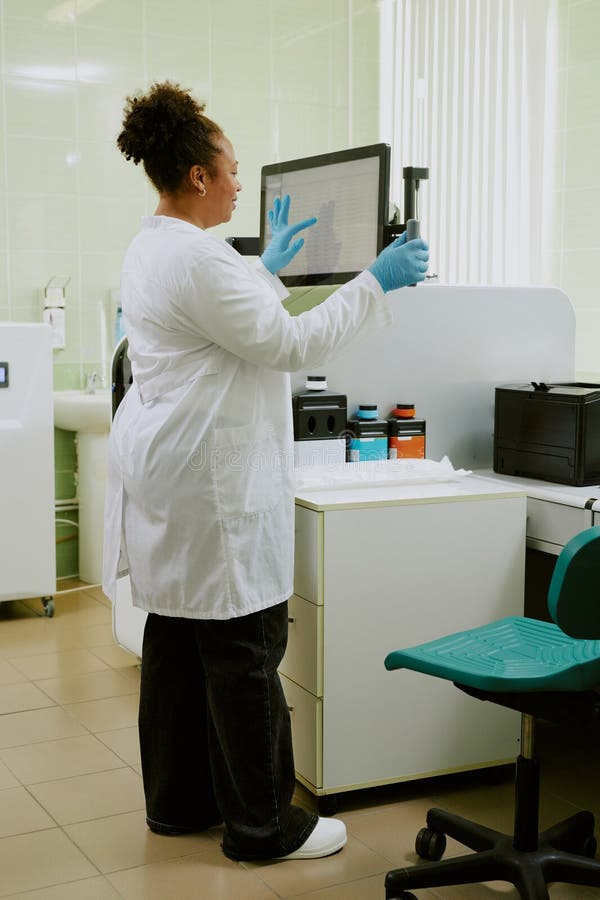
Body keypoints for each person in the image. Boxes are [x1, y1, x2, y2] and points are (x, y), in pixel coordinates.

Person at [103, 80, 429, 863]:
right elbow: (286, 345)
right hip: (213, 484)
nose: (240, 184)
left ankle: (179, 805)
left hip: (172, 472)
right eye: (233, 170)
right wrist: (374, 281)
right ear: (199, 176)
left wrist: (266, 270)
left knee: (178, 644)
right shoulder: (198, 259)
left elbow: (224, 322)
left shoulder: (156, 245)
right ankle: (262, 827)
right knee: (245, 650)